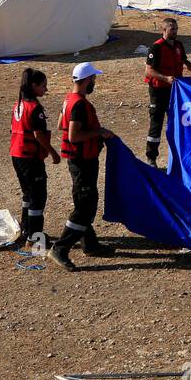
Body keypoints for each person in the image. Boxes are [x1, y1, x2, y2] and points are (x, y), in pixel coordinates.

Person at [51, 63, 116, 271]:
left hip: (77, 159)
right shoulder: (79, 104)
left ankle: (90, 244)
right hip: (82, 160)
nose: (94, 83)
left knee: (84, 201)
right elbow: (73, 135)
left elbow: (61, 123)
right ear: (87, 80)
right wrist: (99, 132)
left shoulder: (68, 100)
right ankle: (60, 248)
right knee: (85, 206)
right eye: (94, 80)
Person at [10, 67, 60, 248]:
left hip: (16, 155)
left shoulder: (18, 105)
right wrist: (53, 152)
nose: (46, 89)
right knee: (38, 197)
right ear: (34, 85)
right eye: (43, 86)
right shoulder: (34, 108)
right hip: (30, 157)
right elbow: (38, 135)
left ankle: (26, 230)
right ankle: (35, 238)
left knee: (27, 194)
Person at [144, 17, 191, 167]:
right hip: (158, 91)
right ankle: (151, 158)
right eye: (172, 29)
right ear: (164, 30)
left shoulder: (178, 45)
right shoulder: (156, 47)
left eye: (176, 29)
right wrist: (165, 78)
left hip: (175, 91)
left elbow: (184, 61)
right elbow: (149, 70)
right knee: (156, 124)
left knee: (177, 122)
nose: (175, 32)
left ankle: (178, 155)